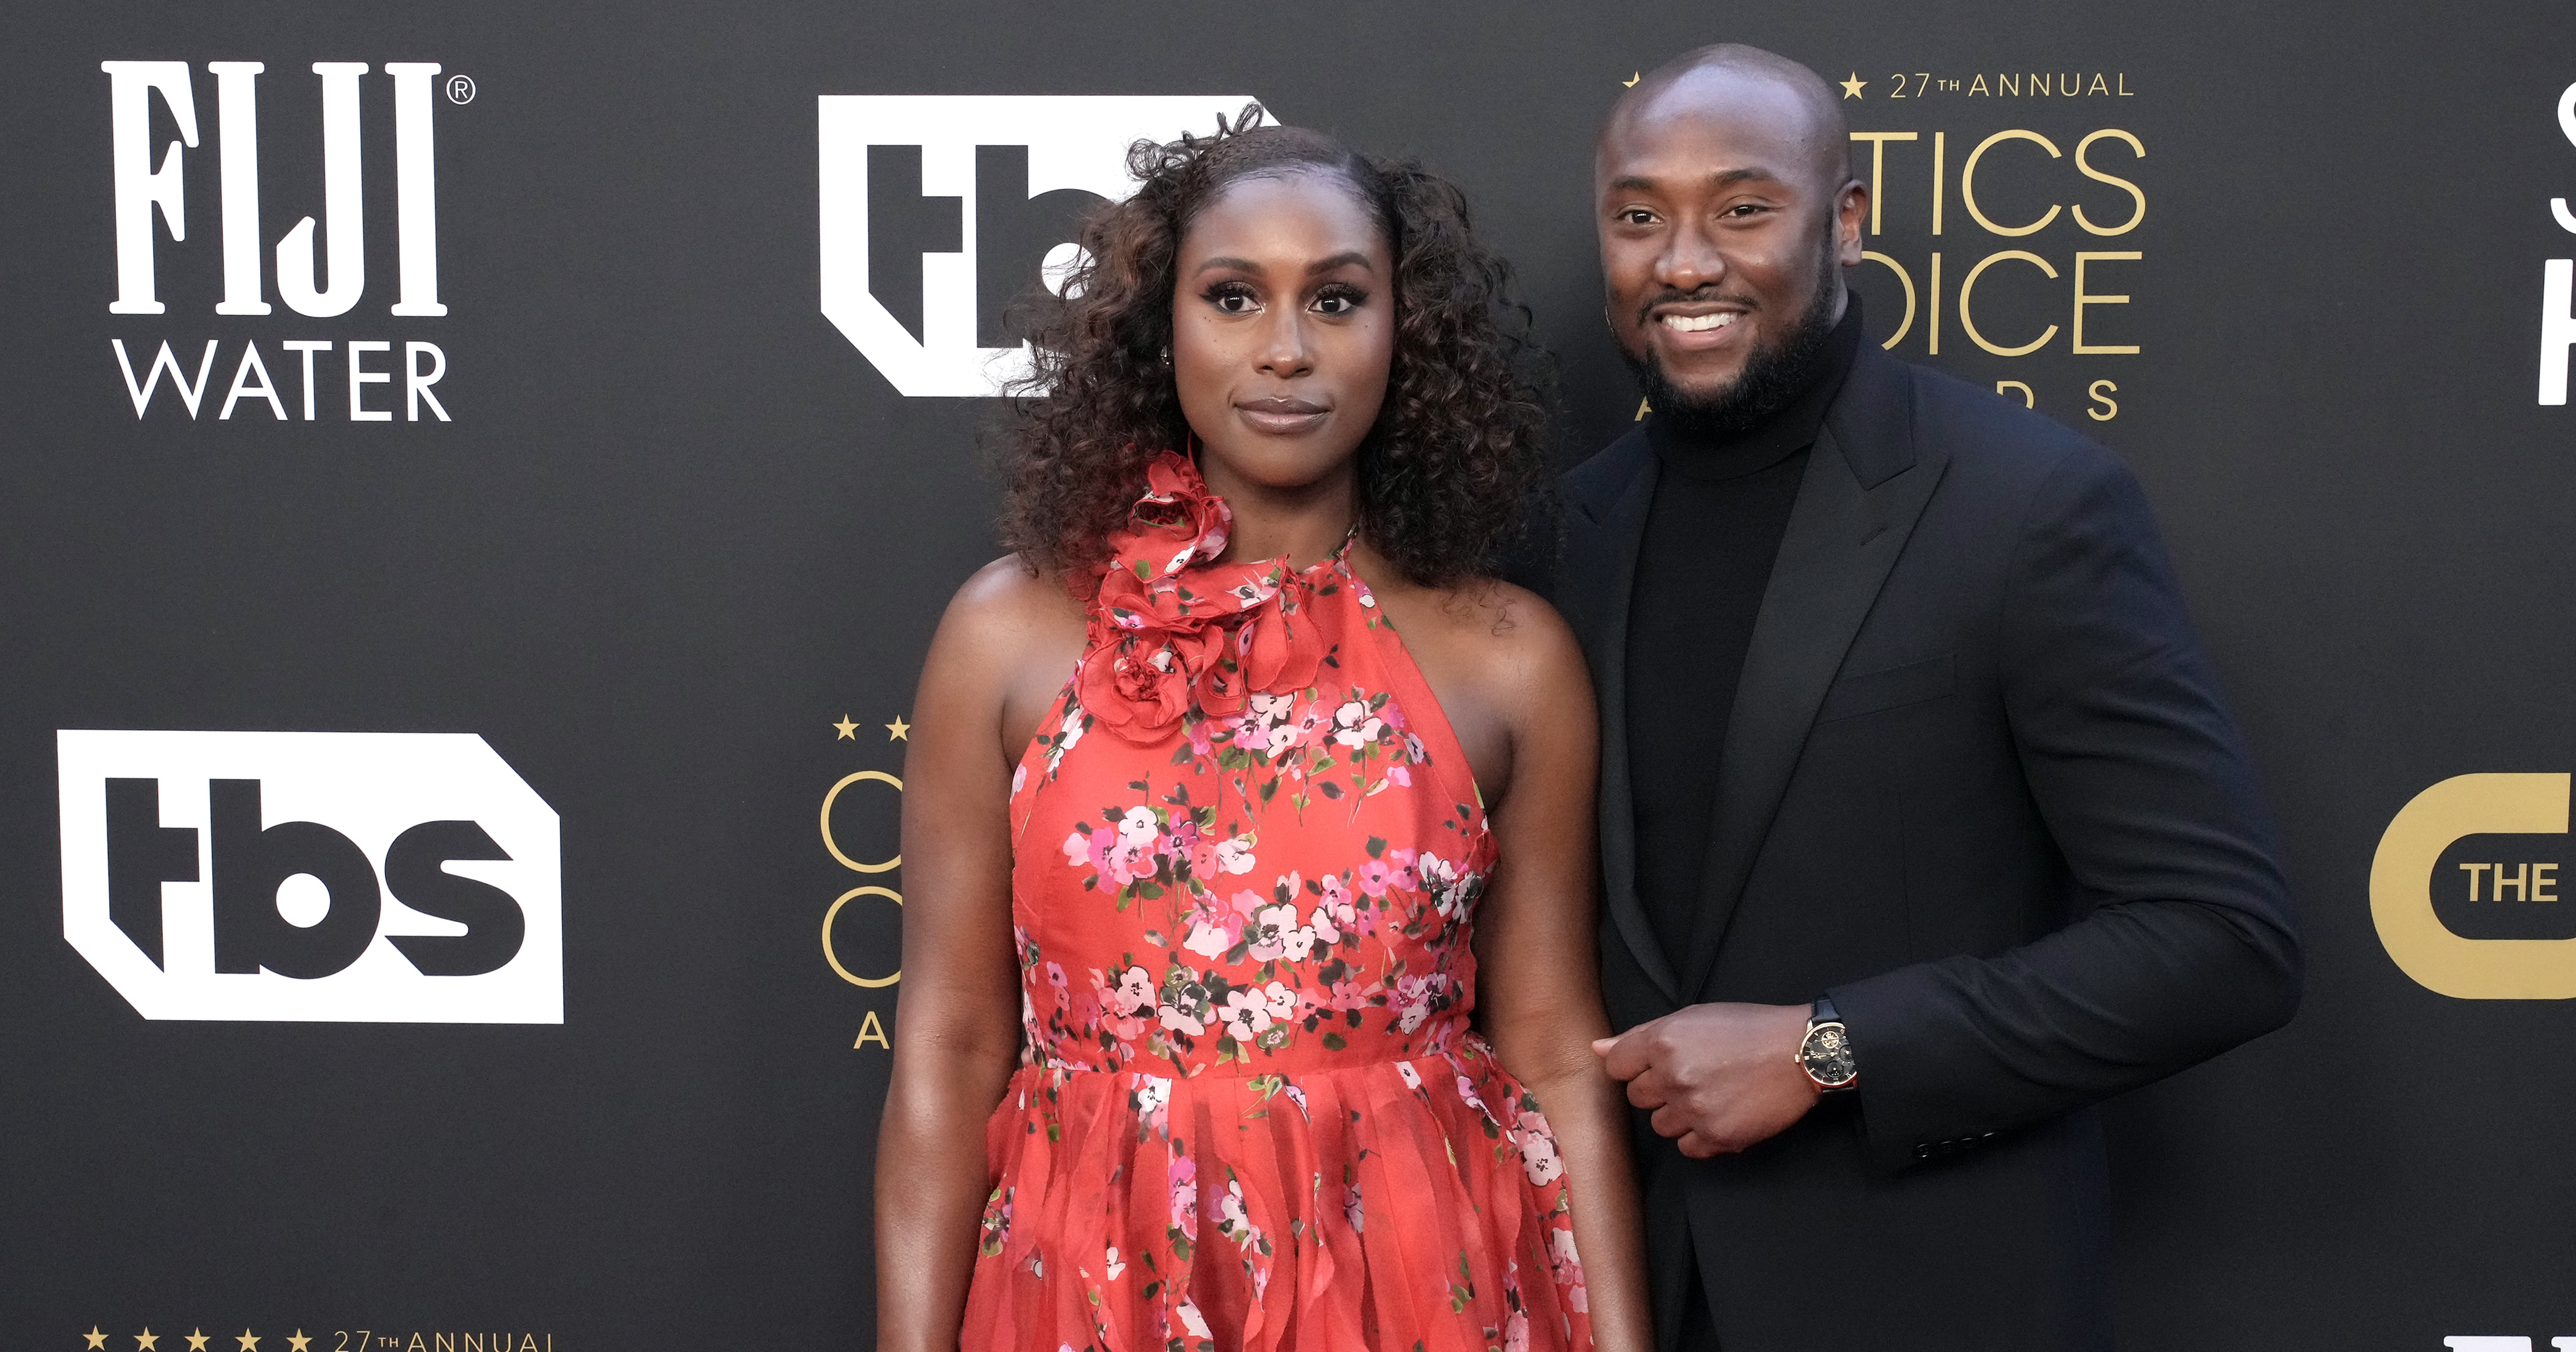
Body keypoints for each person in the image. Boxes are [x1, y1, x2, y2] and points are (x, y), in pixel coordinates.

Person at [1549, 46, 2304, 1351]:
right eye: (1638, 216)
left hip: (1931, 1299)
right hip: (1632, 1299)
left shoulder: (2028, 507)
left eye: (1742, 208)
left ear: (1843, 221)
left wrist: (1828, 1046)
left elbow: (2222, 938)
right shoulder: (1569, 533)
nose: (1683, 262)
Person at [877, 115, 1653, 1352]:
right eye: (1234, 297)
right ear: (1162, 327)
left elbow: (1555, 1048)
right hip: (1093, 1280)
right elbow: (955, 1039)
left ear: (1407, 336)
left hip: (1418, 1278)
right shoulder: (1008, 633)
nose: (1285, 351)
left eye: (1337, 300)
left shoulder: (1511, 658)